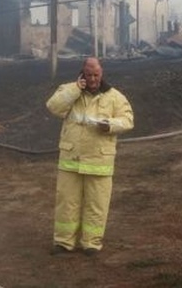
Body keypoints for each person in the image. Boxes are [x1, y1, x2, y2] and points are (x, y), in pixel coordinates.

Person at [45, 57, 134, 256]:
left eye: (96, 75)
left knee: (97, 204)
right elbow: (53, 106)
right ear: (82, 74)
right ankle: (63, 242)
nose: (93, 79)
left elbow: (128, 120)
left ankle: (91, 243)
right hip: (71, 159)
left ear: (101, 74)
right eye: (89, 75)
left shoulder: (114, 97)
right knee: (67, 203)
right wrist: (75, 89)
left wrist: (110, 125)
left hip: (99, 161)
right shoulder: (68, 90)